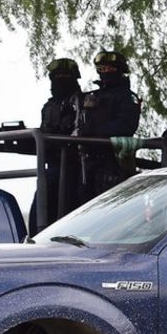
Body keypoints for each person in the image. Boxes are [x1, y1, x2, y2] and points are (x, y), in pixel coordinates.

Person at [73, 49, 141, 202]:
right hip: (87, 162)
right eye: (102, 69)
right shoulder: (90, 97)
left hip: (113, 163)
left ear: (120, 70)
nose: (105, 72)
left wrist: (95, 132)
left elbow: (126, 126)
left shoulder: (128, 97)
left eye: (110, 68)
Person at [29, 58, 82, 232]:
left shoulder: (80, 103)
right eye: (56, 76)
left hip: (73, 168)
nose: (60, 80)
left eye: (64, 76)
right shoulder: (49, 106)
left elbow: (79, 132)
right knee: (39, 216)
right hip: (52, 165)